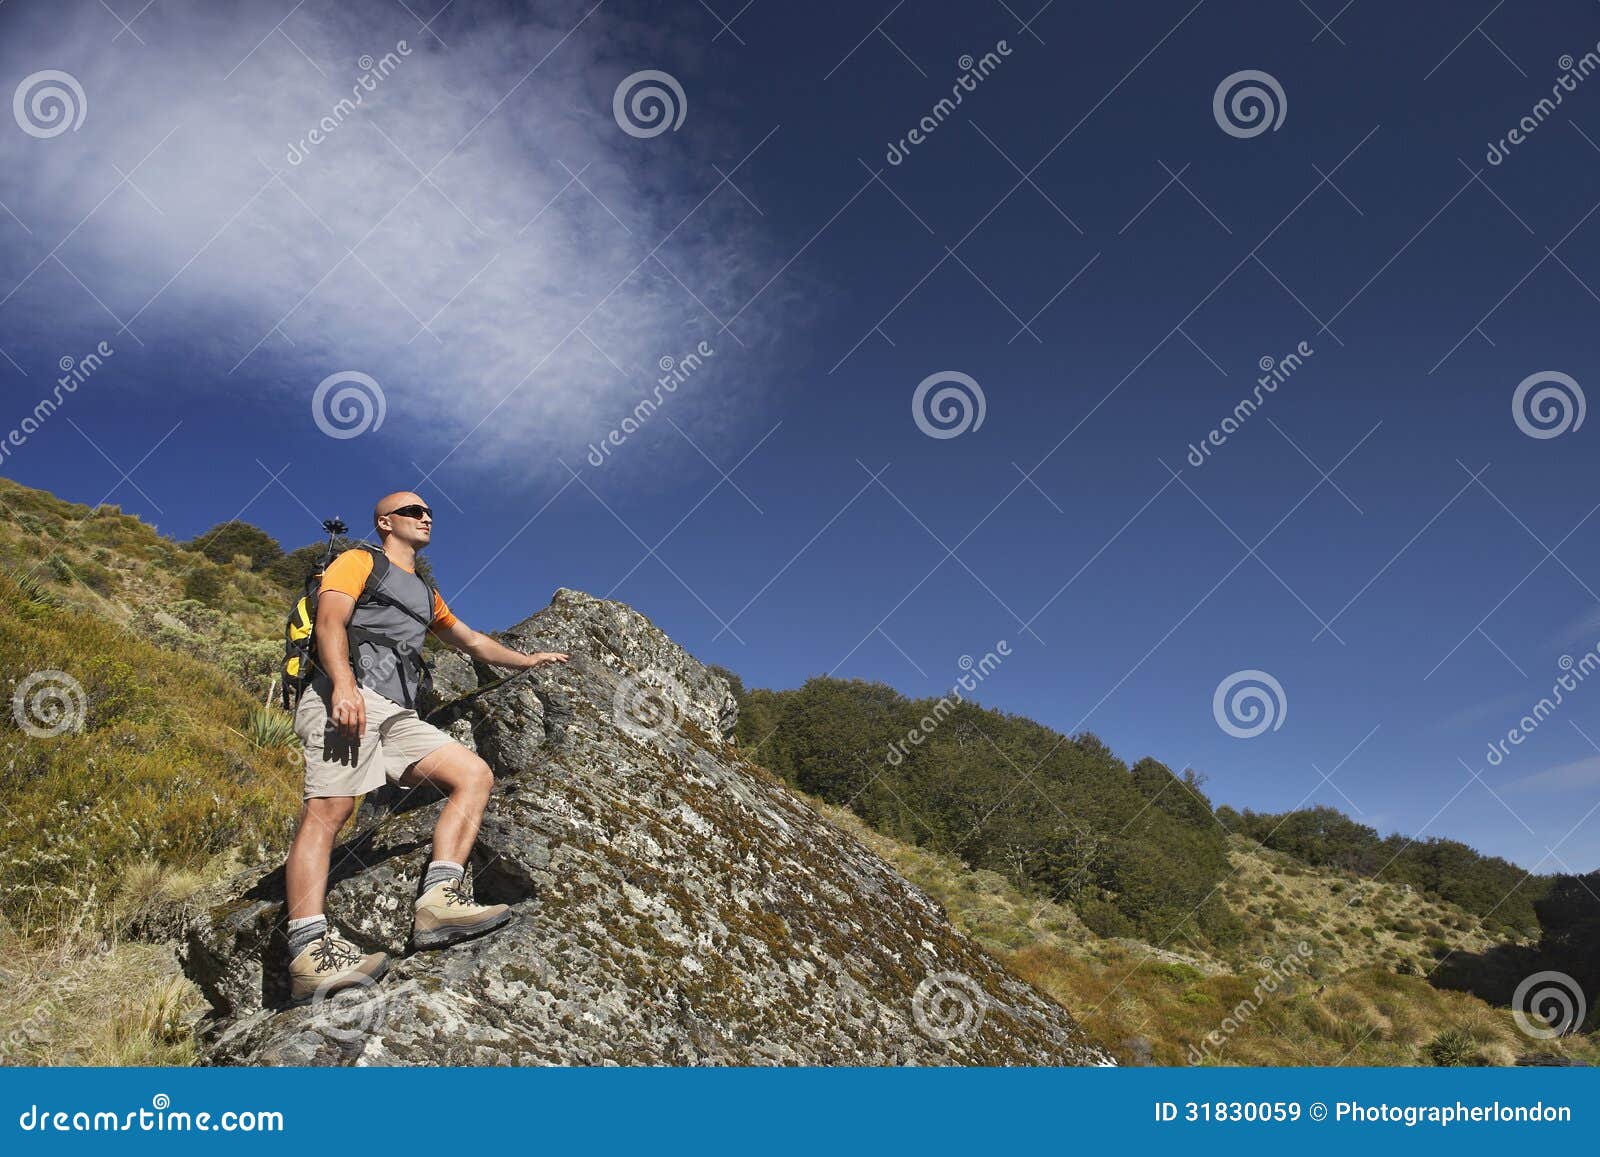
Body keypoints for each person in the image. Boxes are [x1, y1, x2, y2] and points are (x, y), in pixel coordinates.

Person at [282, 491, 568, 1005]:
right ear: (386, 523)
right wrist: (343, 685)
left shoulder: (424, 594)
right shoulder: (356, 560)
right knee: (330, 810)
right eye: (413, 511)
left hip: (398, 715)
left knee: (474, 774)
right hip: (343, 696)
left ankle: (439, 901)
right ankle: (307, 950)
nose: (426, 516)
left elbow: (472, 642)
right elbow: (329, 622)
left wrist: (528, 660)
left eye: (429, 510)